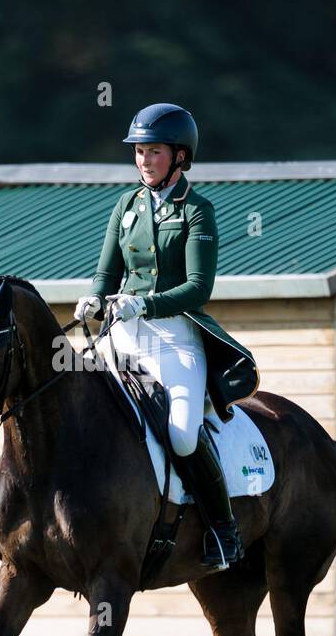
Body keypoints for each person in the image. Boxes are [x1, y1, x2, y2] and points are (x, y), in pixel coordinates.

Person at [74, 102, 258, 570]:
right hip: (124, 333)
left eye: (153, 152)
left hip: (175, 337)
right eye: (138, 151)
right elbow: (106, 271)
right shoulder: (126, 205)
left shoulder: (198, 210)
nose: (142, 160)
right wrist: (95, 298)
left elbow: (199, 287)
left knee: (180, 434)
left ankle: (223, 529)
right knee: (75, 403)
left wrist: (147, 303)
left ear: (179, 156)